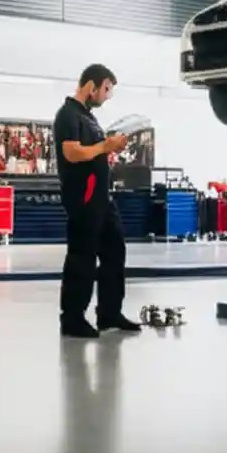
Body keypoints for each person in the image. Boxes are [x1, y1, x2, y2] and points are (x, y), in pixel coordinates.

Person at [54, 64, 140, 338]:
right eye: (106, 89)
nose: (107, 97)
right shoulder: (68, 114)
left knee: (115, 252)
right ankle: (72, 318)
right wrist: (106, 146)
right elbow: (72, 153)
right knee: (83, 256)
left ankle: (109, 313)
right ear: (92, 85)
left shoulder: (88, 117)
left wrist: (109, 148)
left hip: (103, 197)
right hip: (84, 196)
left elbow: (92, 151)